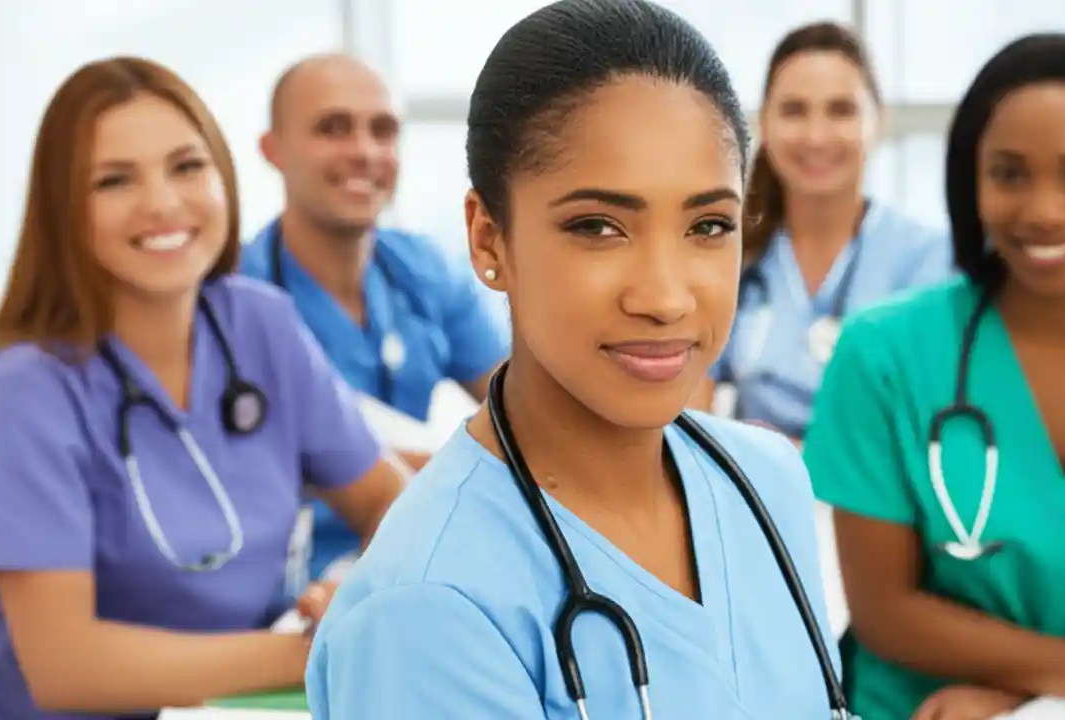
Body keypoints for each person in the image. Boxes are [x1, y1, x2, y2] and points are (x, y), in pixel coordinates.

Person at [306, 1, 850, 718]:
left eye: (708, 225)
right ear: (489, 239)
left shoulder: (767, 483)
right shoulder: (427, 606)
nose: (665, 297)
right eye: (598, 226)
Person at [0, 57, 407, 720]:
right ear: (63, 208)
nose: (162, 202)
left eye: (187, 166)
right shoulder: (22, 392)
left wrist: (361, 592)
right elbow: (65, 669)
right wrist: (311, 650)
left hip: (227, 708)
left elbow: (388, 499)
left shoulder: (259, 324)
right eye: (113, 180)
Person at [802, 33, 1065, 719]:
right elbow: (886, 611)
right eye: (1010, 173)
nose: (1045, 211)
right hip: (921, 707)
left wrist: (1020, 696)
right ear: (973, 182)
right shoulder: (882, 354)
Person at [240, 52, 509, 580]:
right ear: (273, 150)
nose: (364, 152)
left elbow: (531, 415)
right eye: (332, 128)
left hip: (424, 545)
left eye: (383, 131)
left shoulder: (424, 270)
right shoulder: (236, 300)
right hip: (293, 582)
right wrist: (483, 470)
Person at [701, 22, 951, 443]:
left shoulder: (927, 261)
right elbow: (688, 410)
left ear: (878, 119)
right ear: (764, 122)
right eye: (795, 111)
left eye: (841, 110)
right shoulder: (730, 252)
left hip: (874, 503)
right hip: (753, 498)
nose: (816, 136)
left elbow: (927, 421)